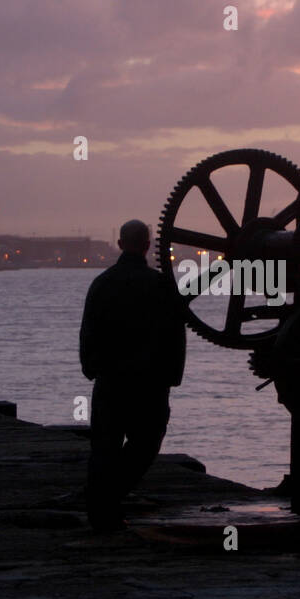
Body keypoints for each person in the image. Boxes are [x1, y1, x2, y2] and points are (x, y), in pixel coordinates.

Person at [79, 220, 186, 531]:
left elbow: (89, 331)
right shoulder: (161, 286)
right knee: (146, 443)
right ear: (147, 245)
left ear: (121, 243)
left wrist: (91, 367)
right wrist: (172, 376)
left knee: (104, 447)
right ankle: (108, 500)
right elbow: (175, 336)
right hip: (150, 383)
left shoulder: (102, 283)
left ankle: (101, 508)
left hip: (111, 381)